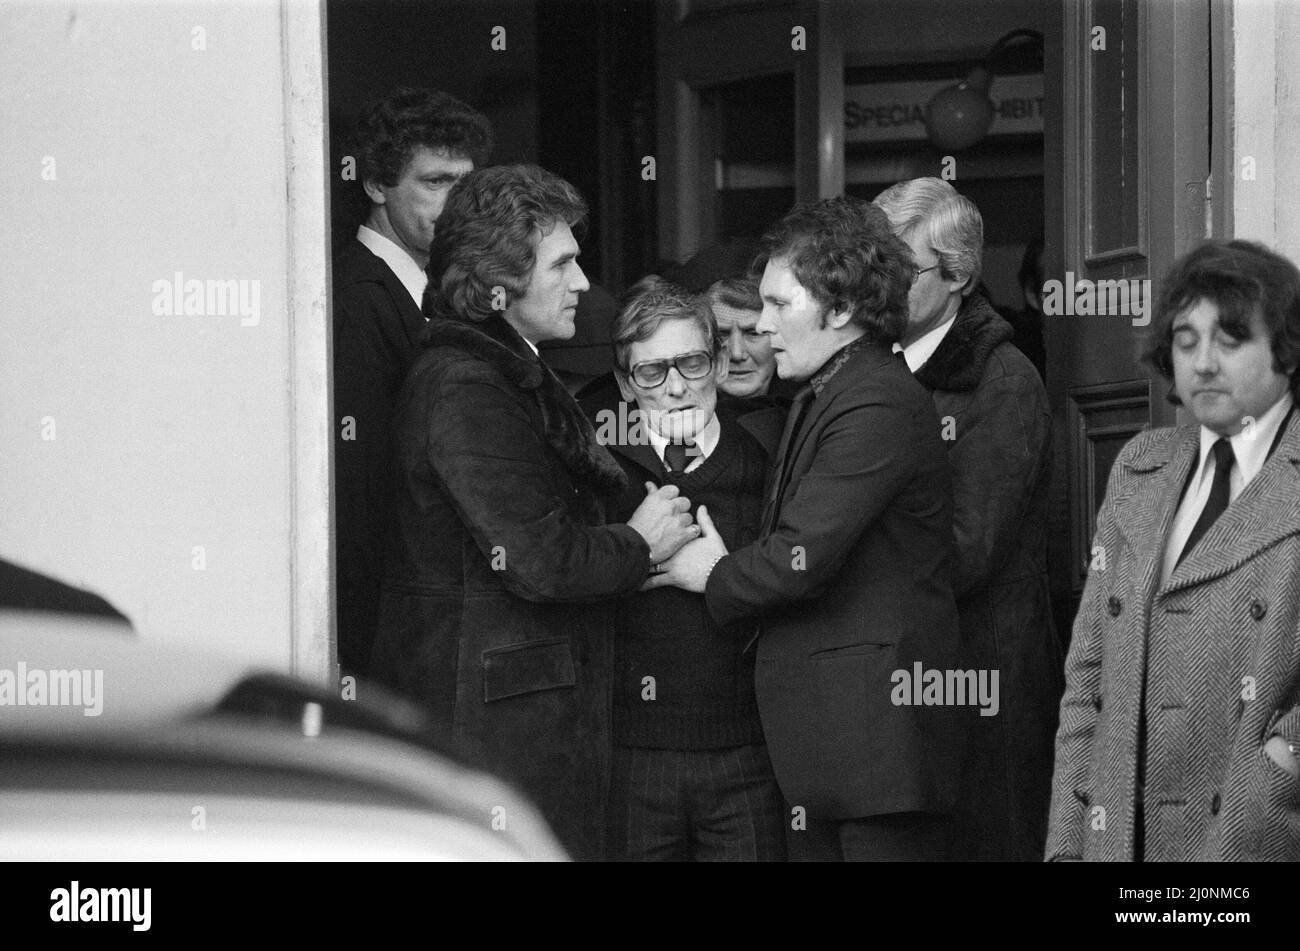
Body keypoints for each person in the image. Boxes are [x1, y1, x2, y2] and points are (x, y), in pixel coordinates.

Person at [369, 165, 700, 861]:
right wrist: (640, 543)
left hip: (513, 725)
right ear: (498, 283)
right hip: (496, 733)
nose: (583, 282)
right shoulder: (466, 384)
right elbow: (542, 560)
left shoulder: (495, 369)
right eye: (564, 262)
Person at [647, 197, 962, 861]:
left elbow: (801, 555)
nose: (760, 326)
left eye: (779, 305)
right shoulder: (831, 388)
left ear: (842, 308)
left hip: (877, 757)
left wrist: (709, 570)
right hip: (841, 754)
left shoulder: (873, 396)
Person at [1047, 239, 1300, 862]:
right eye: (1186, 340)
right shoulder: (1141, 466)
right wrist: (1067, 847)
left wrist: (1280, 763)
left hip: (1253, 838)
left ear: (1287, 348)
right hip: (1120, 840)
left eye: (1231, 338)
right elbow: (1089, 679)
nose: (1204, 363)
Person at [874, 177, 1061, 861]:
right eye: (873, 267)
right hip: (903, 691)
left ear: (957, 274)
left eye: (898, 269)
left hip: (985, 690)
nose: (878, 287)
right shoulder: (872, 369)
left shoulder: (1003, 379)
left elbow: (966, 551)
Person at [595, 280, 786, 861]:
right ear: (627, 387)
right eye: (652, 372)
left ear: (718, 364)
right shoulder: (600, 473)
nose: (676, 387)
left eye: (692, 363)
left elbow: (801, 589)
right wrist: (633, 548)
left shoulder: (768, 465)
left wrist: (723, 572)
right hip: (632, 756)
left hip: (747, 753)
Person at [333, 88, 493, 678]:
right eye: (434, 182)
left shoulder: (425, 289)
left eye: (464, 183)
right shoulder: (361, 298)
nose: (455, 205)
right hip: (387, 622)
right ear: (376, 185)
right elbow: (364, 487)